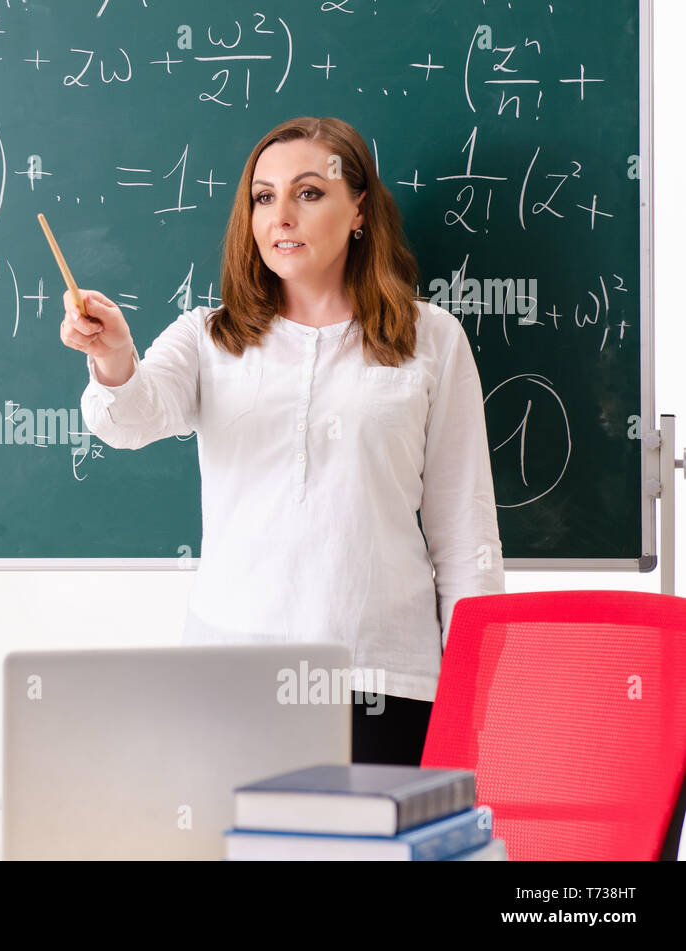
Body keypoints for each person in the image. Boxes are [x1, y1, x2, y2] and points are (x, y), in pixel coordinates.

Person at [60, 116, 505, 766]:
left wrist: (476, 691)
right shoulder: (211, 338)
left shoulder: (431, 339)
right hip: (230, 678)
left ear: (359, 210)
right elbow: (129, 417)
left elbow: (465, 534)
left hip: (381, 680)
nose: (282, 215)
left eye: (309, 192)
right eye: (264, 197)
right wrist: (115, 356)